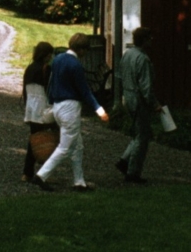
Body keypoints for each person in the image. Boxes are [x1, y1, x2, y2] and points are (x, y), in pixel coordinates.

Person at [32, 33, 108, 191]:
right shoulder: (75, 65)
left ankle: (79, 181)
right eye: (85, 50)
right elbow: (84, 90)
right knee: (65, 147)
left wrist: (51, 102)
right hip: (70, 108)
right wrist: (99, 109)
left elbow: (52, 83)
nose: (85, 54)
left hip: (58, 106)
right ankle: (41, 175)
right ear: (81, 50)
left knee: (77, 145)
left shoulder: (58, 59)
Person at [116, 26, 161, 185]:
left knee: (137, 133)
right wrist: (154, 104)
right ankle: (132, 172)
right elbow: (146, 87)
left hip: (128, 97)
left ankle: (124, 160)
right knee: (143, 136)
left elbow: (120, 76)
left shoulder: (127, 55)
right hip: (139, 100)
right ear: (145, 40)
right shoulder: (143, 59)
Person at [22, 41, 57, 181]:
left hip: (31, 108)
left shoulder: (29, 68)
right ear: (46, 55)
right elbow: (50, 90)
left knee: (34, 139)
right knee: (48, 139)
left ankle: (28, 172)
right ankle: (41, 173)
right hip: (43, 108)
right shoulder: (45, 69)